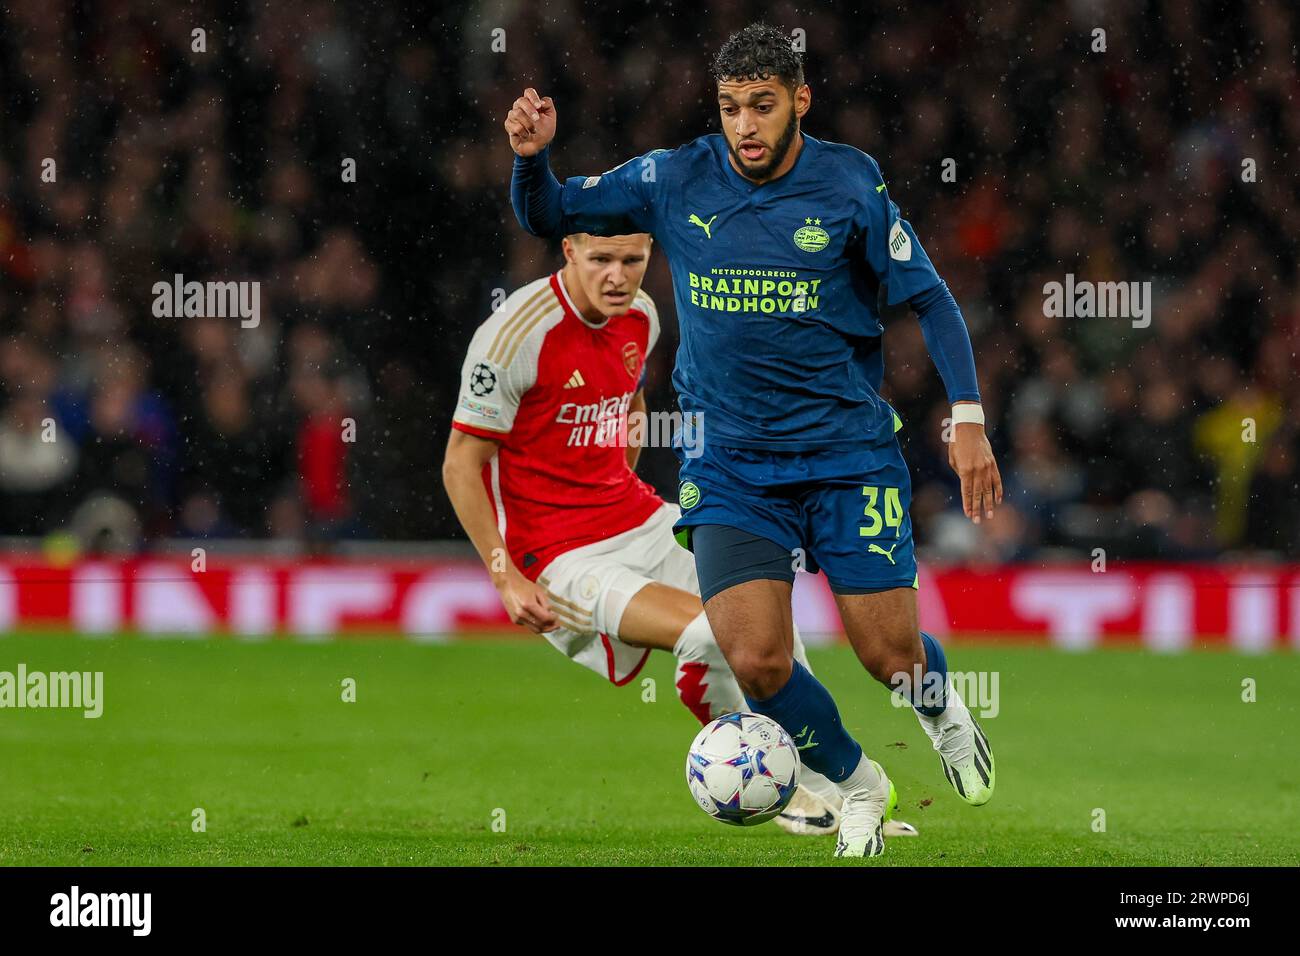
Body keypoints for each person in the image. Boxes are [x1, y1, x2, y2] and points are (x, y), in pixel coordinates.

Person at [506, 22, 1000, 857]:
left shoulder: (850, 183)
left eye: (763, 106)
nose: (745, 125)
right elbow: (550, 212)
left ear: (799, 101)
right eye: (732, 107)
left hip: (847, 457)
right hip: (731, 466)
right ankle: (858, 786)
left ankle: (937, 704)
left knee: (888, 656)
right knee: (758, 660)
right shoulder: (674, 175)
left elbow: (932, 299)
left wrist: (969, 420)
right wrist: (531, 156)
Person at [441, 228, 917, 839]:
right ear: (569, 252)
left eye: (633, 260)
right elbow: (461, 462)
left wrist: (615, 486)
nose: (618, 276)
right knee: (710, 635)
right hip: (557, 556)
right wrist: (505, 576)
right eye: (601, 260)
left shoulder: (639, 316)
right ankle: (783, 791)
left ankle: (844, 796)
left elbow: (631, 405)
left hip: (634, 517)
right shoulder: (514, 336)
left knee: (766, 612)